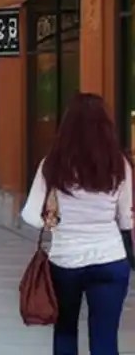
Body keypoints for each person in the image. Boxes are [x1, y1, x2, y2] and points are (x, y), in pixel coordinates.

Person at [21, 93, 134, 355]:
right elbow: (127, 219)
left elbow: (30, 215)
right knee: (105, 339)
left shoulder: (52, 164)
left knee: (65, 332)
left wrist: (54, 218)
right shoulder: (119, 165)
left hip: (65, 261)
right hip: (110, 258)